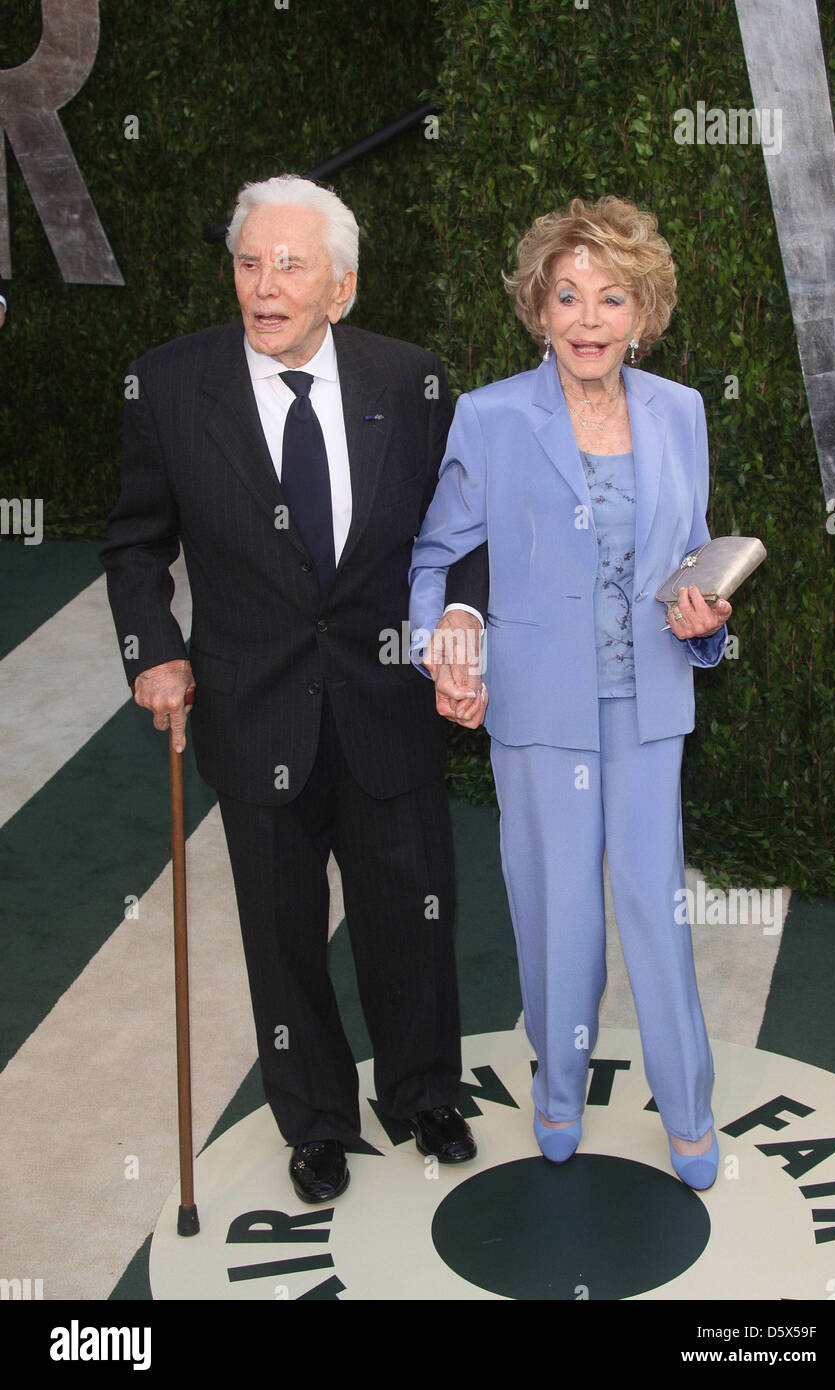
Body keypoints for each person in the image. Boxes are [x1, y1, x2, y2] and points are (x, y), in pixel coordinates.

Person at [102, 174, 488, 1205]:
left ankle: (423, 1092)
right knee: (280, 935)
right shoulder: (170, 386)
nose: (263, 287)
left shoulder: (411, 382)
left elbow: (458, 536)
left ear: (342, 286)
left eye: (290, 264)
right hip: (250, 705)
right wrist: (153, 646)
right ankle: (314, 1118)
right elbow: (136, 544)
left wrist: (460, 621)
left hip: (386, 704)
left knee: (410, 917)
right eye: (247, 262)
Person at [410, 195, 732, 1190]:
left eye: (611, 299)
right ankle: (557, 1090)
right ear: (536, 308)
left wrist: (706, 620)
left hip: (647, 707)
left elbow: (690, 560)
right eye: (566, 296)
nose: (587, 319)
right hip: (539, 713)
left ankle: (685, 1108)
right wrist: (442, 640)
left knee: (652, 913)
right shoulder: (492, 416)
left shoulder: (678, 412)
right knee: (554, 913)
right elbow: (435, 555)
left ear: (642, 314)